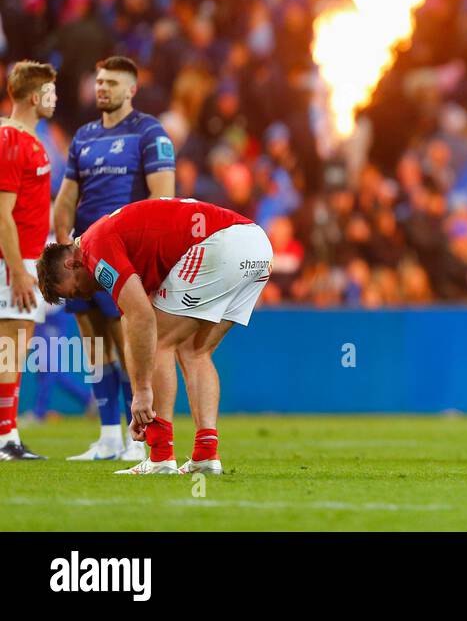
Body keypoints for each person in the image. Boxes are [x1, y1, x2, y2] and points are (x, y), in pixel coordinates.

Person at [37, 198, 272, 475]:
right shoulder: (107, 238)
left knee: (160, 341)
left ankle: (161, 455)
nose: (84, 295)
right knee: (194, 351)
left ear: (69, 264)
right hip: (258, 246)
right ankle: (206, 456)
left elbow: (142, 318)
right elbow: (132, 319)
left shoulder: (92, 251)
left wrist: (142, 393)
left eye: (75, 290)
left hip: (221, 245)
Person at [52, 55, 175, 461]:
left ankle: (137, 439)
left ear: (131, 90)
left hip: (123, 256)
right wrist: (60, 240)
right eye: (99, 81)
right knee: (92, 343)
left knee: (129, 344)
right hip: (83, 258)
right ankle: (108, 436)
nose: (102, 88)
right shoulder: (84, 136)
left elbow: (163, 200)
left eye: (112, 83)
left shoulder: (149, 132)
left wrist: (148, 256)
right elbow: (68, 196)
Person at [0, 61, 58, 461]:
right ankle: (5, 438)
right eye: (51, 93)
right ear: (35, 97)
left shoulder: (29, 139)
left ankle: (9, 435)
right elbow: (2, 211)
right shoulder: (9, 139)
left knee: (18, 347)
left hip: (28, 257)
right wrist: (17, 267)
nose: (56, 99)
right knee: (10, 346)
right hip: (13, 261)